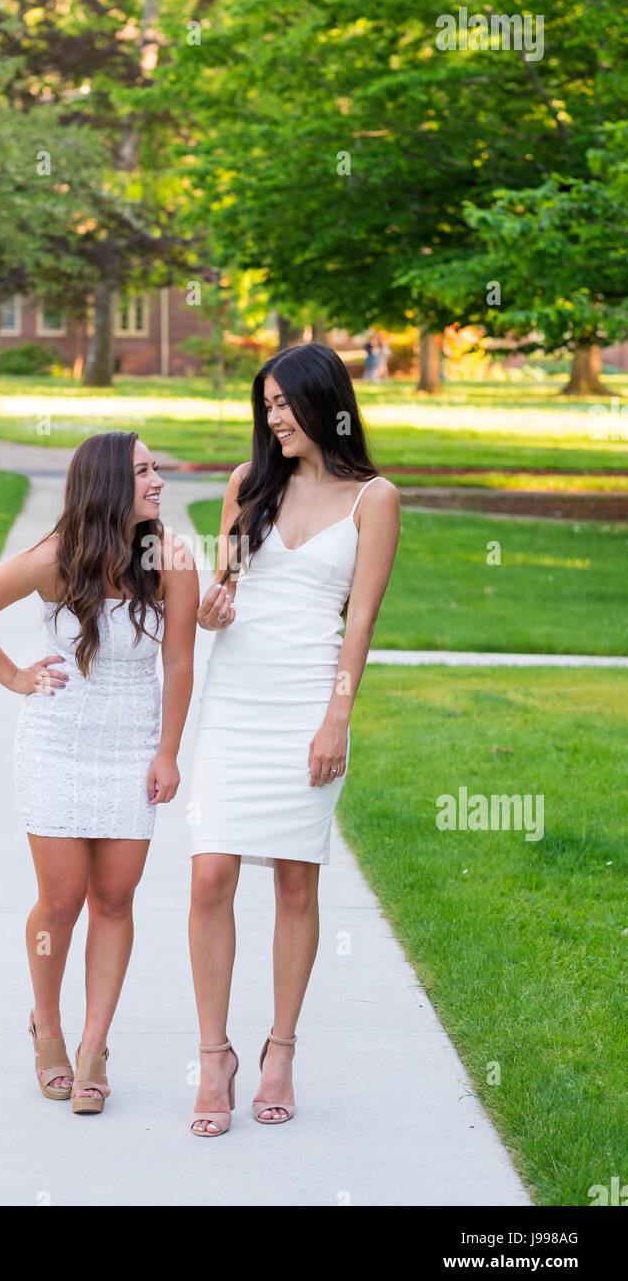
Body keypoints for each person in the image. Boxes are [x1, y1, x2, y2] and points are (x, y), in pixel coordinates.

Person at [0, 432, 198, 1114]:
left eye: (156, 469)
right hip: (56, 745)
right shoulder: (54, 560)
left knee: (114, 900)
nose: (158, 482)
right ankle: (47, 1027)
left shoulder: (170, 558)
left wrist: (168, 751)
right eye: (144, 471)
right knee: (61, 903)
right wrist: (13, 676)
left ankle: (93, 1047)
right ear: (110, 483)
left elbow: (178, 663)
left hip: (131, 751)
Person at [187, 343, 400, 1136]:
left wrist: (336, 717)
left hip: (310, 701)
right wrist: (215, 606)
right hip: (236, 701)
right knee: (209, 877)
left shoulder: (374, 499)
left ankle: (279, 1050)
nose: (272, 417)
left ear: (325, 403)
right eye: (266, 404)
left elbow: (362, 623)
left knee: (294, 885)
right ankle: (215, 1056)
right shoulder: (249, 487)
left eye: (284, 403)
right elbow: (227, 586)